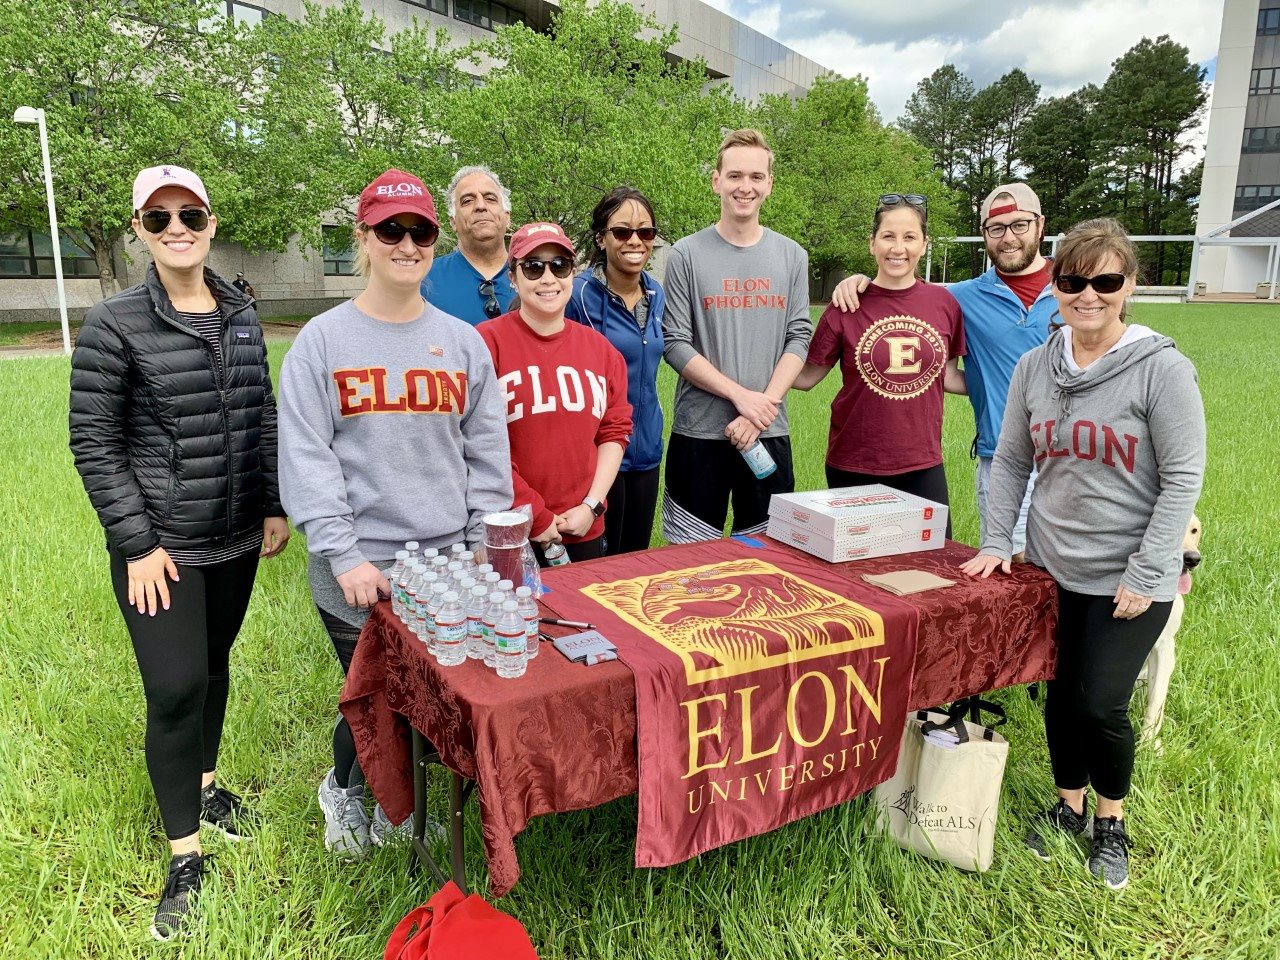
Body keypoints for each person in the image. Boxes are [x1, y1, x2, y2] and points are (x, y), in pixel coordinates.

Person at [69, 164, 290, 941]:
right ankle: (184, 856)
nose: (175, 229)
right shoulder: (114, 323)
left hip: (233, 535)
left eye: (188, 213)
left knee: (216, 667)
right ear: (138, 230)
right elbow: (94, 443)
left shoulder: (239, 312)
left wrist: (271, 501)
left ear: (211, 219)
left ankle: (205, 786)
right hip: (162, 547)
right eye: (157, 219)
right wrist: (136, 542)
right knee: (174, 687)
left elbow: (261, 412)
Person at [960, 218, 1205, 891]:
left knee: (1100, 703)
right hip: (1050, 566)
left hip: (1129, 575)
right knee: (1062, 699)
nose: (1088, 294)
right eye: (1074, 280)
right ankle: (1067, 807)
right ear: (1056, 286)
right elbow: (1010, 459)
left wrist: (1150, 570)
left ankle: (1112, 822)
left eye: (1105, 280)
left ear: (1128, 286)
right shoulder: (1037, 367)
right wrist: (996, 542)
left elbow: (1183, 478)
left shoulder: (1162, 370)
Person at [278, 169, 512, 858]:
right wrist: (342, 552)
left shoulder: (462, 343)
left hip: (443, 566)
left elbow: (486, 453)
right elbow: (307, 455)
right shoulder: (321, 342)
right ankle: (344, 793)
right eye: (390, 230)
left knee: (428, 699)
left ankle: (396, 809)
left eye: (419, 232)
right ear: (365, 237)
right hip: (359, 566)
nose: (405, 244)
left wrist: (480, 540)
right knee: (371, 699)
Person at [833, 183, 1054, 553]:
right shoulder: (958, 297)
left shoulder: (1080, 290)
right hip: (1005, 457)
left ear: (1040, 225)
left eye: (1020, 225)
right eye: (997, 228)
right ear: (984, 234)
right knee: (1018, 573)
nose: (1009, 237)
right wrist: (859, 282)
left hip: (1078, 457)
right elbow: (904, 294)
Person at [661, 128, 811, 543]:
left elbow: (799, 337)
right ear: (716, 181)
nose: (745, 187)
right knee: (690, 563)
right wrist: (740, 398)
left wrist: (760, 408)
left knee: (769, 559)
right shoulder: (686, 254)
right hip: (700, 433)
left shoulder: (792, 255)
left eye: (756, 177)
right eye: (735, 176)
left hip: (768, 430)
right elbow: (675, 342)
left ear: (769, 184)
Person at [792, 194, 965, 533]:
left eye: (909, 237)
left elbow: (949, 377)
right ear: (872, 243)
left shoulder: (944, 303)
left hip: (922, 462)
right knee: (858, 578)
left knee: (934, 567)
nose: (898, 248)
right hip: (854, 461)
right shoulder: (846, 303)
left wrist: (1019, 383)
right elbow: (807, 376)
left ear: (924, 244)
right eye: (888, 236)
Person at [479, 222, 632, 563]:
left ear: (571, 274)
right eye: (533, 267)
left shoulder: (603, 352)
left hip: (583, 526)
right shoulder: (484, 344)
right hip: (510, 527)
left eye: (558, 265)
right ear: (513, 278)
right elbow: (475, 443)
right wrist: (533, 511)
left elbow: (614, 432)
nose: (548, 278)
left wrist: (592, 507)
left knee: (587, 615)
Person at [564, 187, 665, 554]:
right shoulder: (575, 296)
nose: (635, 241)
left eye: (646, 232)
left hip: (646, 450)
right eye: (622, 232)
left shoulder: (658, 296)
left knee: (633, 561)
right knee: (598, 565)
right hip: (597, 455)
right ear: (601, 238)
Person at [420, 165, 515, 325]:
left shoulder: (537, 276)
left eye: (490, 199)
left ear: (507, 217)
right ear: (453, 221)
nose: (480, 206)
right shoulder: (425, 280)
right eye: (467, 201)